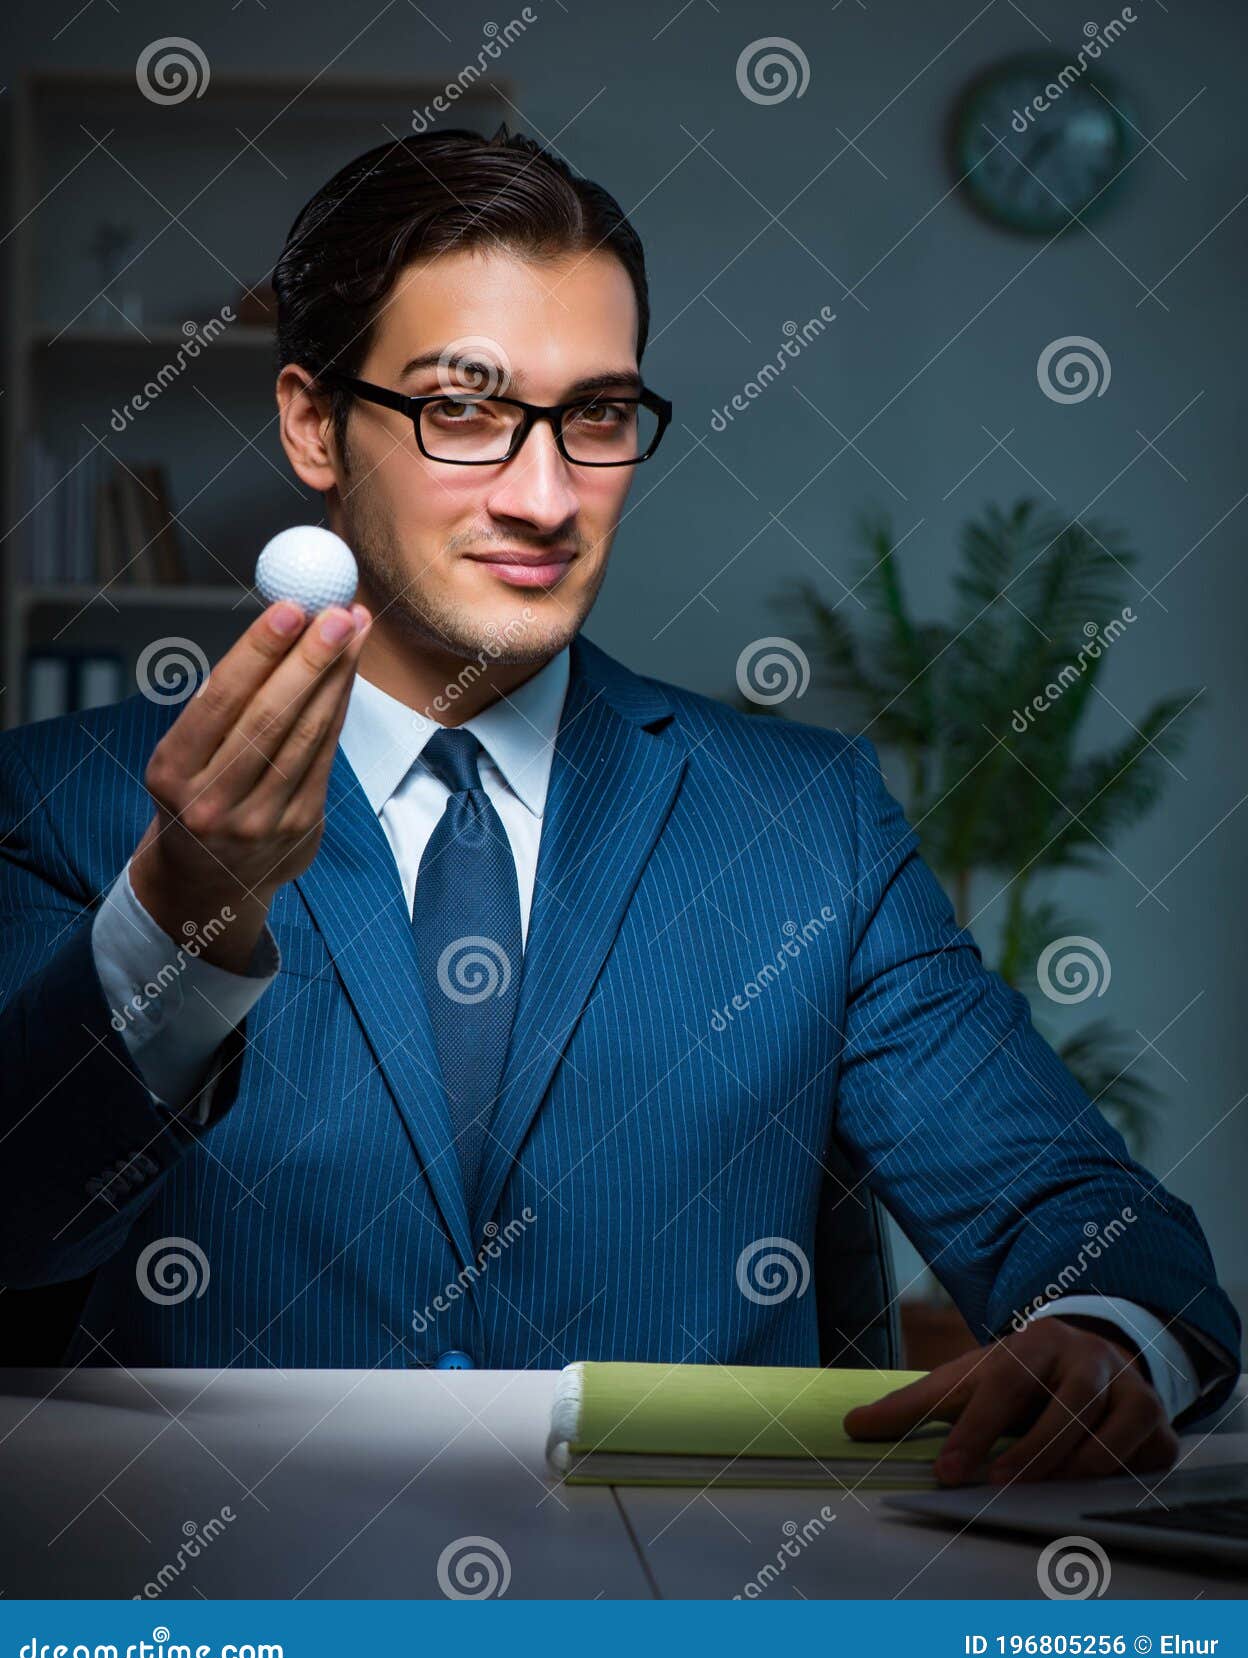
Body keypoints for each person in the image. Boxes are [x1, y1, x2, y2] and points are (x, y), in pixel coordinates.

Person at [0, 128, 1238, 1488]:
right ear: (312, 424)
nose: (545, 499)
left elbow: (1104, 1235)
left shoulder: (806, 826)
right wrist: (184, 912)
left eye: (593, 415)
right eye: (460, 409)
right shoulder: (57, 800)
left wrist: (1100, 1338)